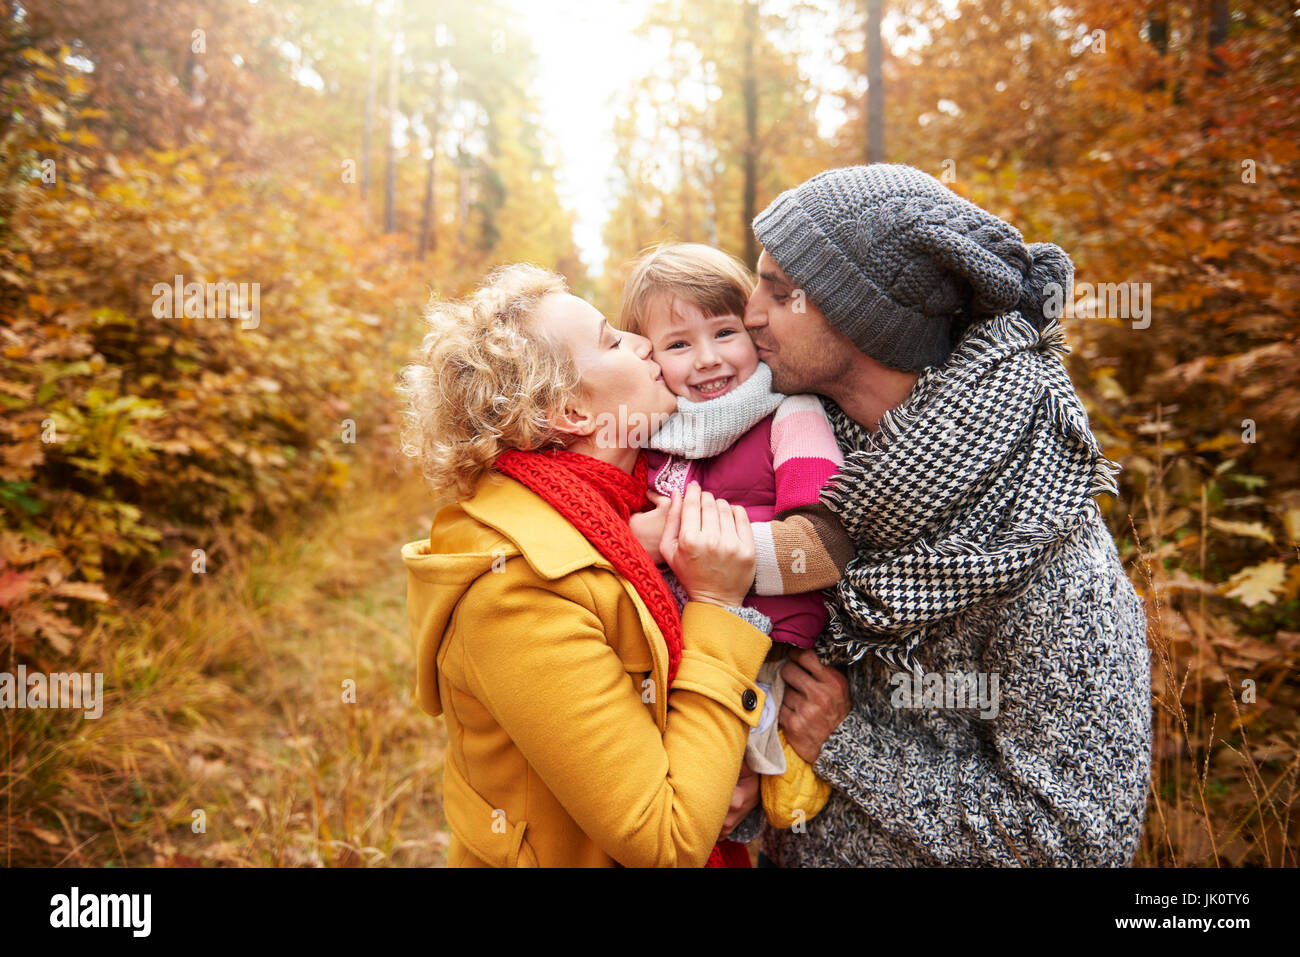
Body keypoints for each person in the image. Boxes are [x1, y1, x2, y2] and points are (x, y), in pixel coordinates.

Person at [725, 163, 1152, 866]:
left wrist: (850, 748)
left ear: (861, 315)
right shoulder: (796, 449)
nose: (751, 314)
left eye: (780, 291)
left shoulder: (1037, 537)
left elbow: (1082, 841)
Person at [399, 263, 772, 867]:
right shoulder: (517, 589)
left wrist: (724, 765)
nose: (642, 343)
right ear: (571, 412)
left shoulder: (629, 510)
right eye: (610, 340)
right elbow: (666, 838)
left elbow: (677, 761)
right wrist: (719, 607)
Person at [617, 242, 854, 831]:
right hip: (674, 657)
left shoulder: (789, 412)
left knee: (743, 790)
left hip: (767, 649)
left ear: (754, 330)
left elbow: (824, 547)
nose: (705, 360)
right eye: (677, 345)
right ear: (650, 360)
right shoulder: (654, 435)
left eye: (724, 333)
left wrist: (675, 542)